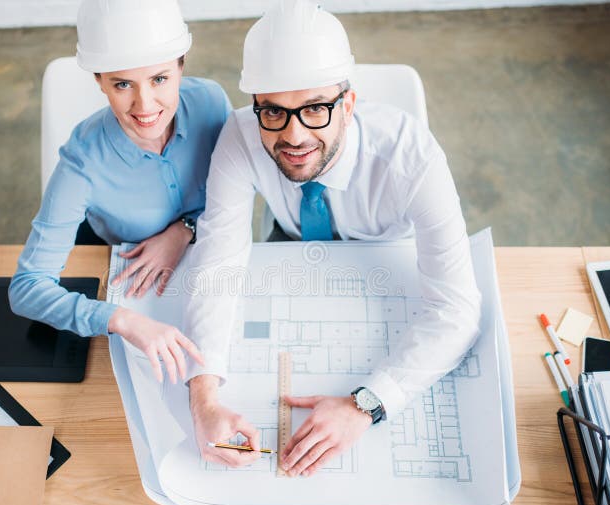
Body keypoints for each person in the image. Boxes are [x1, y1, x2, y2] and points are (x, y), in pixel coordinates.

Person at [183, 0, 482, 475]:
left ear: (349, 103)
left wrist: (366, 404)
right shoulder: (241, 134)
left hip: (387, 262)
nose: (295, 136)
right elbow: (218, 265)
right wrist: (203, 396)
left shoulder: (414, 159)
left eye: (316, 109)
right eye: (274, 112)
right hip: (291, 248)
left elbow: (458, 308)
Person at [9, 0, 232, 384]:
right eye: (123, 84)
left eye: (159, 79)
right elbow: (27, 290)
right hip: (126, 271)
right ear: (99, 81)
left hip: (207, 257)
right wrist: (119, 319)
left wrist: (183, 232)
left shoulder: (212, 103)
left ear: (182, 65)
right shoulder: (82, 161)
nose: (145, 106)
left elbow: (235, 192)